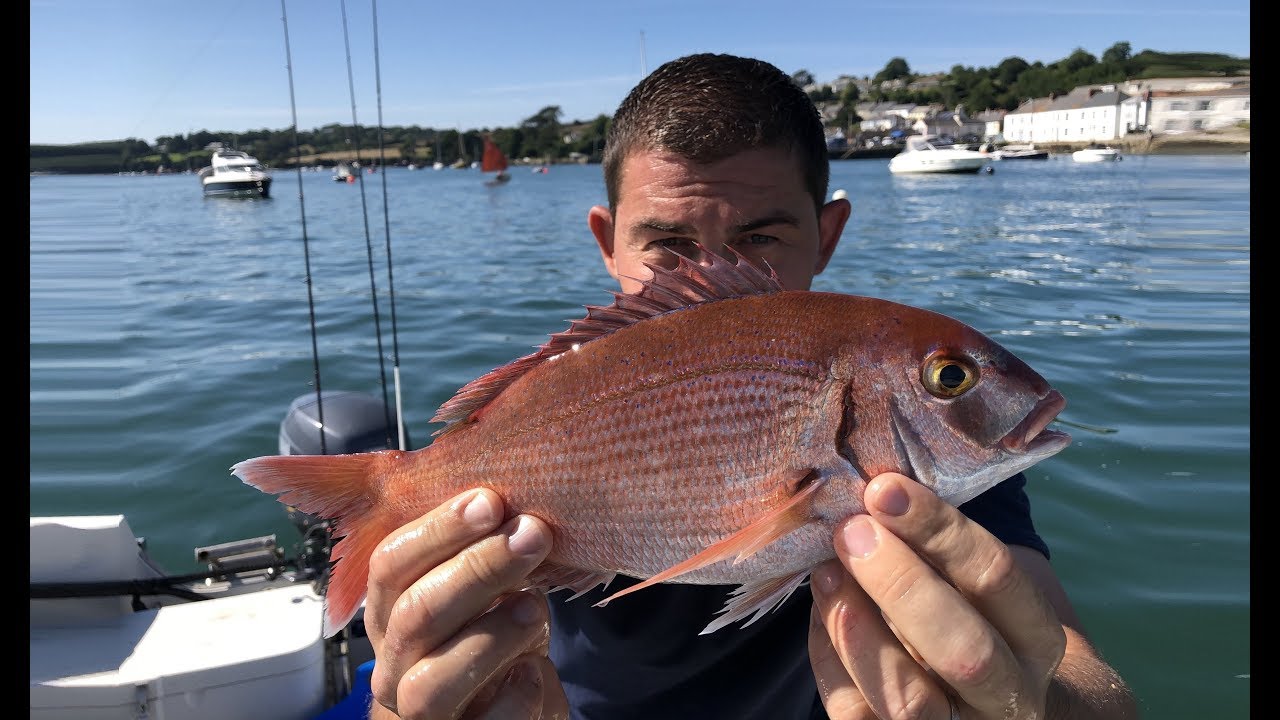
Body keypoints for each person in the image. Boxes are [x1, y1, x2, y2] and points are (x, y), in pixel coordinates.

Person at [363, 53, 1138, 720]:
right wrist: (410, 698)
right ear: (606, 239)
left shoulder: (934, 472)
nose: (707, 274)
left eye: (759, 239)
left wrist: (1029, 700)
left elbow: (1089, 680)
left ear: (827, 233)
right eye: (667, 243)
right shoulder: (537, 418)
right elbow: (410, 686)